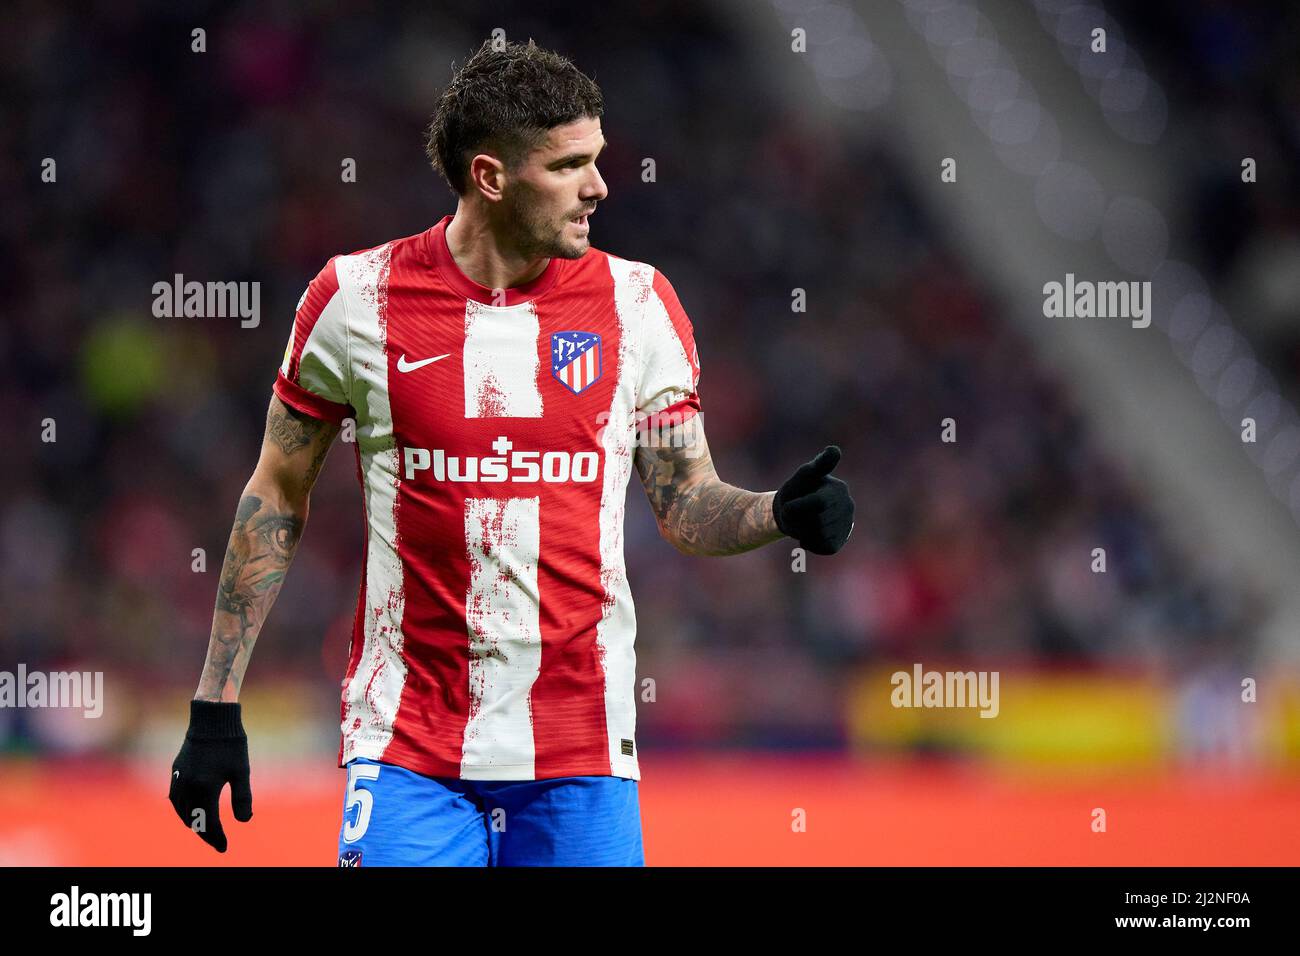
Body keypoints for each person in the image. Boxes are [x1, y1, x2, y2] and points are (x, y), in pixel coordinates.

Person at [168, 38, 854, 866]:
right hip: (408, 744)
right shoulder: (355, 300)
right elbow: (276, 492)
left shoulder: (640, 305)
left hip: (581, 748)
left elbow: (684, 505)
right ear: (491, 177)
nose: (599, 185)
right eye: (569, 166)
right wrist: (215, 705)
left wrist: (776, 513)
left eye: (596, 160)